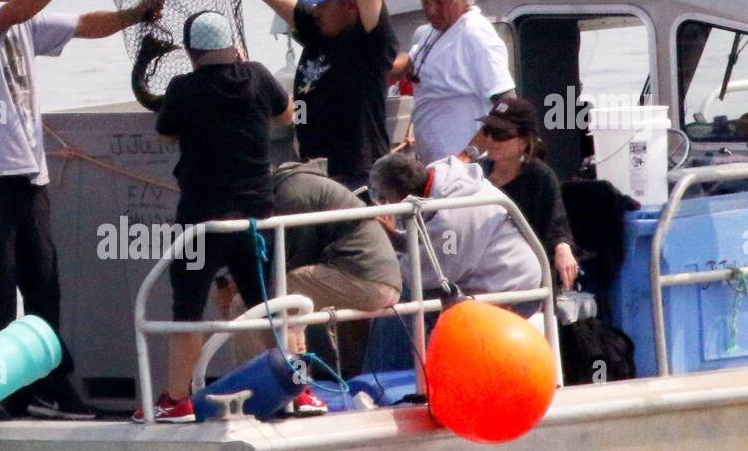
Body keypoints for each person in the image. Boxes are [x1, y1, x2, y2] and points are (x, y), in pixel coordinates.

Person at [0, 0, 160, 419]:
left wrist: (135, 14)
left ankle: (49, 382)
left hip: (31, 175)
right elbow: (18, 10)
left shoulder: (23, 19)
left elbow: (85, 25)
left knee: (45, 287)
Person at [134, 11, 292, 423]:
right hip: (256, 216)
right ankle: (297, 384)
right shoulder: (258, 76)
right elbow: (285, 114)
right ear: (233, 45)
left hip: (202, 219)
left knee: (186, 309)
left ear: (192, 52)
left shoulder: (183, 88)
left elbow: (165, 132)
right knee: (271, 304)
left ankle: (176, 400)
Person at [218, 0, 398, 192]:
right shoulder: (317, 31)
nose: (315, 9)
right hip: (313, 174)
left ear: (350, 6)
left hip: (358, 178)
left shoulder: (370, 42)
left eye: (324, 3)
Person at [231, 159, 403, 395]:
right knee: (266, 303)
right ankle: (299, 383)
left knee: (275, 299)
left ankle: (280, 389)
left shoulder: (291, 194)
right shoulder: (298, 185)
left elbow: (293, 260)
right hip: (377, 278)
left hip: (365, 277)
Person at [389, 0, 516, 165]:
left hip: (467, 172)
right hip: (436, 169)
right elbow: (411, 64)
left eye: (440, 3)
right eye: (426, 2)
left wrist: (470, 153)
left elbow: (508, 104)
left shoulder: (474, 34)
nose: (431, 11)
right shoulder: (435, 31)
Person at [368, 153, 542, 307]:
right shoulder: (444, 177)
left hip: (512, 293)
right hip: (497, 281)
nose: (385, 204)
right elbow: (431, 244)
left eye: (385, 198)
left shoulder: (450, 221)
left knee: (395, 295)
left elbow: (423, 275)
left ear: (401, 193)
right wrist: (394, 237)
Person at [473, 97, 579, 288]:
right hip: (476, 272)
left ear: (523, 141)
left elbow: (557, 225)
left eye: (500, 134)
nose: (489, 139)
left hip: (524, 279)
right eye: (487, 131)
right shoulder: (475, 174)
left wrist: (563, 248)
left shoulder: (540, 178)